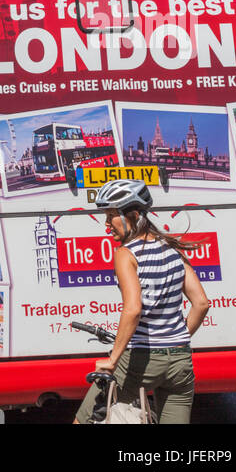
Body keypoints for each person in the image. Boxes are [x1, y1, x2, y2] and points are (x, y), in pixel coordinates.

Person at [73, 180, 210, 425]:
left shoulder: (126, 254)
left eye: (111, 216)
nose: (106, 224)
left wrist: (113, 360)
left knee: (84, 421)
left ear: (133, 215)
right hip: (180, 361)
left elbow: (133, 309)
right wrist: (175, 340)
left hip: (139, 360)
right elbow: (201, 303)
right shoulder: (173, 249)